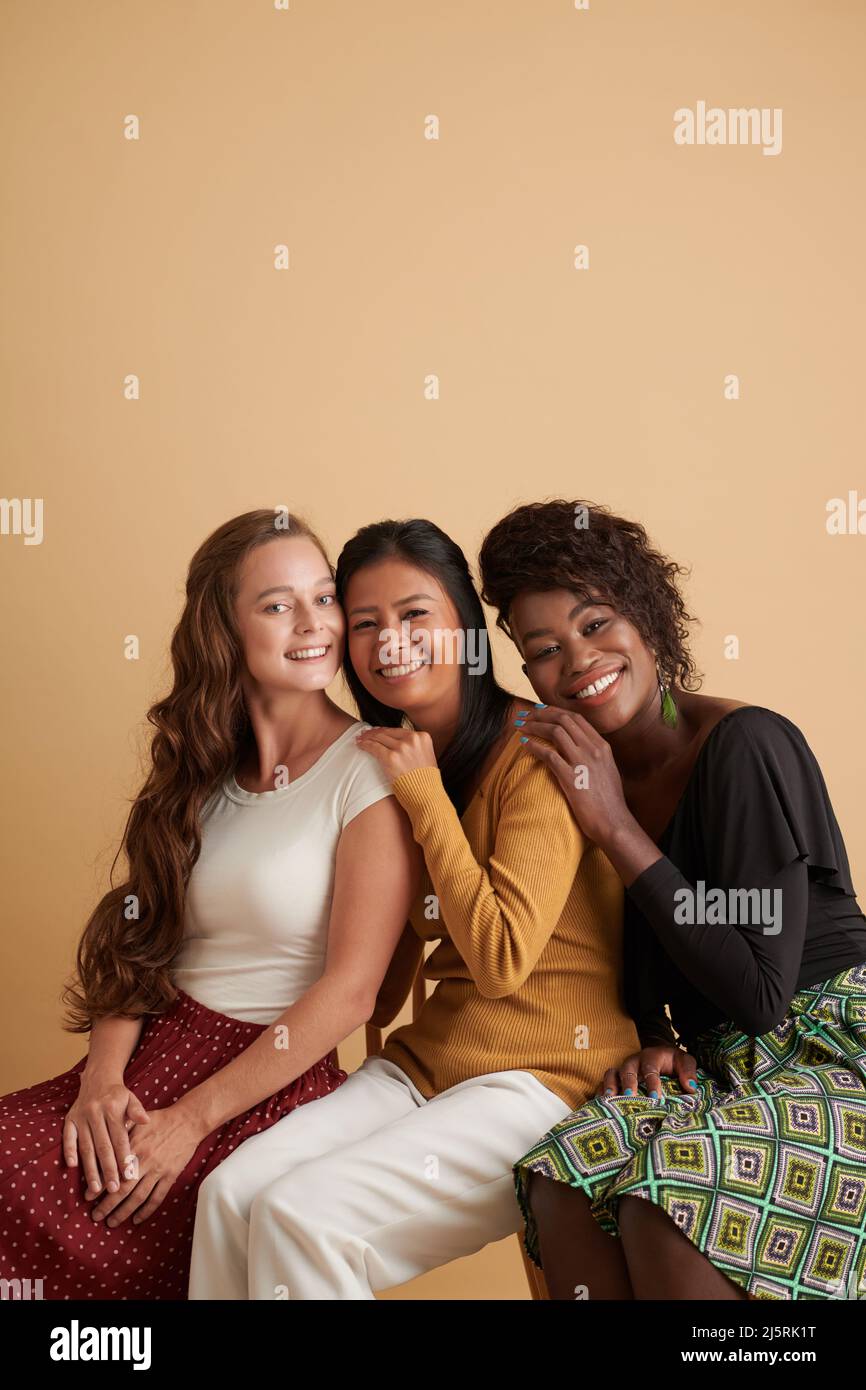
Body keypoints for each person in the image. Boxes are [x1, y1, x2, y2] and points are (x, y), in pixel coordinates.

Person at [188, 517, 640, 1299]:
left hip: (542, 1079)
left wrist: (423, 798)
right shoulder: (396, 757)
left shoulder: (533, 754)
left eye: (414, 614)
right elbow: (385, 962)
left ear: (464, 622)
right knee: (230, 1195)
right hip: (426, 1067)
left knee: (305, 1216)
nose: (389, 640)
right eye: (365, 623)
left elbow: (499, 961)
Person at [0, 508, 417, 1300]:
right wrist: (99, 1080)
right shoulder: (200, 773)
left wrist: (189, 1122)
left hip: (255, 1085)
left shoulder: (368, 772)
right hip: (141, 1061)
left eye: (324, 598)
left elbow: (352, 992)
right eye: (276, 604)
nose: (313, 624)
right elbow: (143, 942)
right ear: (222, 628)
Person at [477, 498, 866, 1301]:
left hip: (834, 1051)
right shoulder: (586, 783)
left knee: (666, 1203)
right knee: (567, 1171)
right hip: (732, 1069)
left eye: (594, 624)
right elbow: (639, 954)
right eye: (544, 649)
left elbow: (760, 990)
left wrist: (618, 830)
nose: (577, 661)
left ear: (648, 616)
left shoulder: (743, 747)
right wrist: (653, 1033)